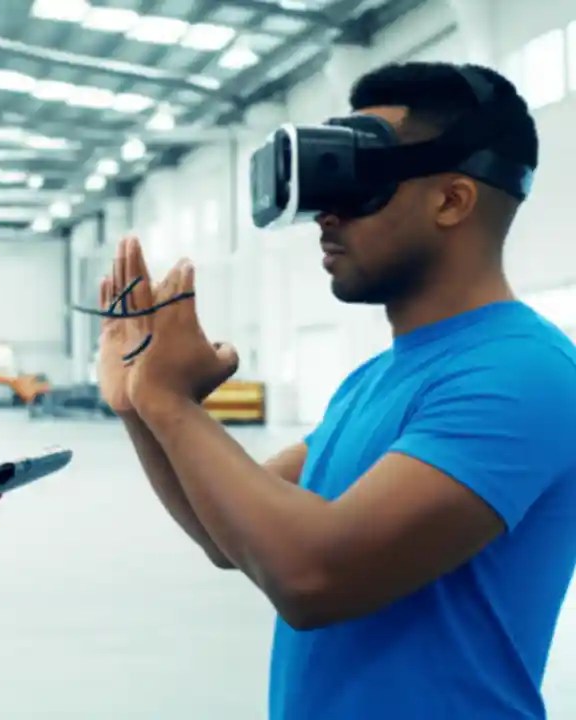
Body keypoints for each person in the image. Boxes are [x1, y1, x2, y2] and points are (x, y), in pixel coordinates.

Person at [98, 62, 576, 719]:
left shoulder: (521, 374)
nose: (327, 214)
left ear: (452, 201)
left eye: (364, 181)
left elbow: (312, 577)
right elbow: (229, 534)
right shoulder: (377, 378)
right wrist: (138, 403)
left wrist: (172, 403)